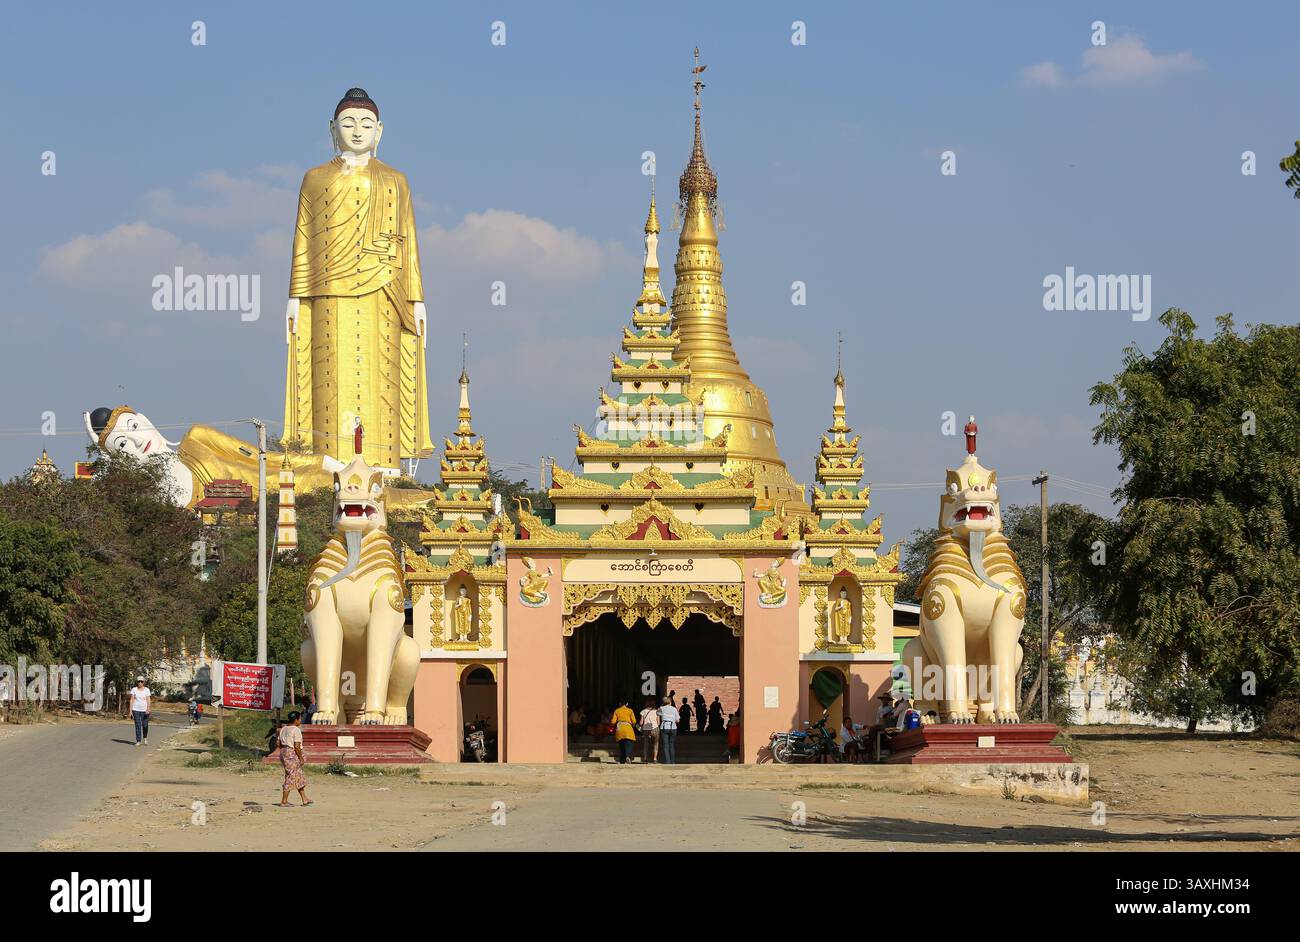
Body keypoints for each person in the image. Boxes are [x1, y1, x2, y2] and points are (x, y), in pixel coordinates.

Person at [277, 711, 312, 807]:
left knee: (297, 775)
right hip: (292, 753)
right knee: (291, 776)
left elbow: (278, 744)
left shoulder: (283, 729)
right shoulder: (296, 730)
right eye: (300, 718)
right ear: (296, 720)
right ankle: (284, 801)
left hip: (284, 752)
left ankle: (304, 799)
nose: (300, 720)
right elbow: (297, 746)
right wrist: (300, 758)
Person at [868, 693, 896, 761]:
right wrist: (876, 724)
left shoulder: (890, 708)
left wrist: (877, 725)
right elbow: (877, 719)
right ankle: (871, 747)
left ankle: (870, 748)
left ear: (888, 701)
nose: (884, 700)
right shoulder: (879, 708)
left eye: (886, 699)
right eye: (883, 699)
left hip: (886, 725)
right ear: (882, 700)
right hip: (880, 725)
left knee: (873, 729)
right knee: (872, 730)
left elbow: (884, 717)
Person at [612, 699, 637, 764]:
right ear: (627, 704)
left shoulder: (617, 710)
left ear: (620, 704)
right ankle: (627, 756)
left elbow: (613, 722)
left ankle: (622, 760)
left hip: (620, 728)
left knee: (621, 746)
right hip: (628, 728)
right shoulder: (630, 710)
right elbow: (634, 721)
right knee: (629, 744)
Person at [657, 696, 680, 764]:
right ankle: (673, 762)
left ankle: (667, 761)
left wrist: (662, 706)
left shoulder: (661, 708)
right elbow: (678, 720)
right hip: (673, 727)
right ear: (670, 702)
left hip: (664, 727)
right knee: (671, 745)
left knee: (665, 745)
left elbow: (657, 713)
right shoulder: (674, 709)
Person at [129, 676, 151, 746]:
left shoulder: (146, 690)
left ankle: (145, 737)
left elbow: (148, 699)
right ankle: (138, 740)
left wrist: (148, 708)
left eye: (141, 681)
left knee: (145, 725)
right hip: (136, 710)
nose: (140, 683)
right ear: (137, 682)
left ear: (143, 682)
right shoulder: (134, 689)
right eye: (139, 681)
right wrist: (130, 711)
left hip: (144, 710)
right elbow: (132, 700)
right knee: (138, 725)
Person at [638, 697, 660, 763]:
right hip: (655, 727)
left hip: (647, 727)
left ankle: (645, 758)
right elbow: (658, 723)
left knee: (646, 744)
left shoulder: (643, 711)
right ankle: (655, 759)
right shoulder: (657, 711)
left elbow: (641, 723)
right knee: (656, 743)